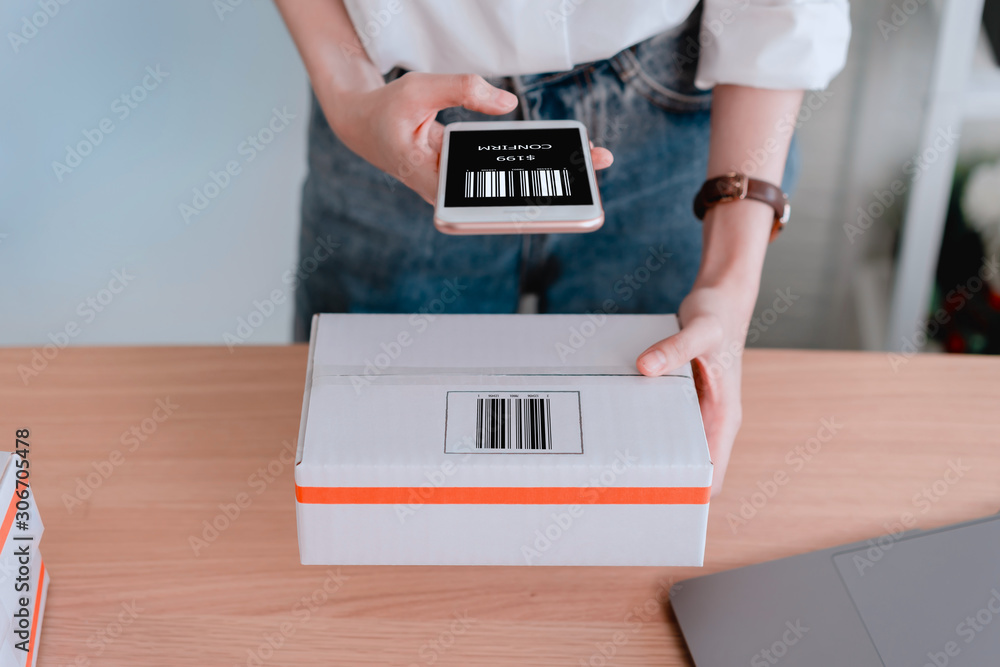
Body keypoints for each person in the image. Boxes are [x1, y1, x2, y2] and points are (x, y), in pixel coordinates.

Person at [275, 0, 851, 494]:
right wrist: (349, 94)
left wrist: (729, 280)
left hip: (670, 120)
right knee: (376, 475)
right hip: (390, 107)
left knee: (629, 484)